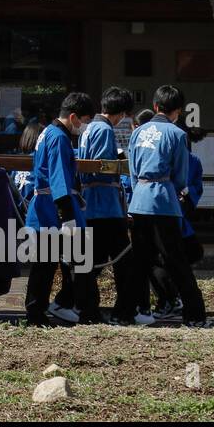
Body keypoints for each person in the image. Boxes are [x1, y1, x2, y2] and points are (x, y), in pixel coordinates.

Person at [124, 85, 206, 327]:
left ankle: (124, 313)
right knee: (176, 261)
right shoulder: (177, 134)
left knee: (139, 262)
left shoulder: (137, 133)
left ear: (156, 106)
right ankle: (194, 316)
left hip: (139, 200)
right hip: (163, 201)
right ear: (178, 111)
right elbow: (181, 175)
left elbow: (132, 171)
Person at [24, 92, 92, 326]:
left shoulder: (47, 132)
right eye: (84, 120)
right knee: (52, 264)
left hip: (43, 205)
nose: (84, 127)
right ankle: (42, 311)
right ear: (73, 117)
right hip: (51, 208)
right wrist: (67, 216)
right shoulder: (59, 138)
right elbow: (59, 178)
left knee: (45, 264)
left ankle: (38, 311)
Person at [74, 86, 136, 325]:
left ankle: (84, 307)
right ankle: (123, 311)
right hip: (105, 205)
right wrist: (121, 165)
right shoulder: (104, 129)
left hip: (92, 204)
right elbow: (100, 166)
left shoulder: (88, 129)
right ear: (120, 113)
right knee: (123, 261)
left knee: (91, 261)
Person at [152, 127, 206, 319]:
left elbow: (195, 187)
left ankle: (171, 300)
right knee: (161, 261)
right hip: (164, 213)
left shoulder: (193, 161)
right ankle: (169, 299)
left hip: (178, 217)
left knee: (173, 259)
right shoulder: (161, 157)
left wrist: (185, 195)